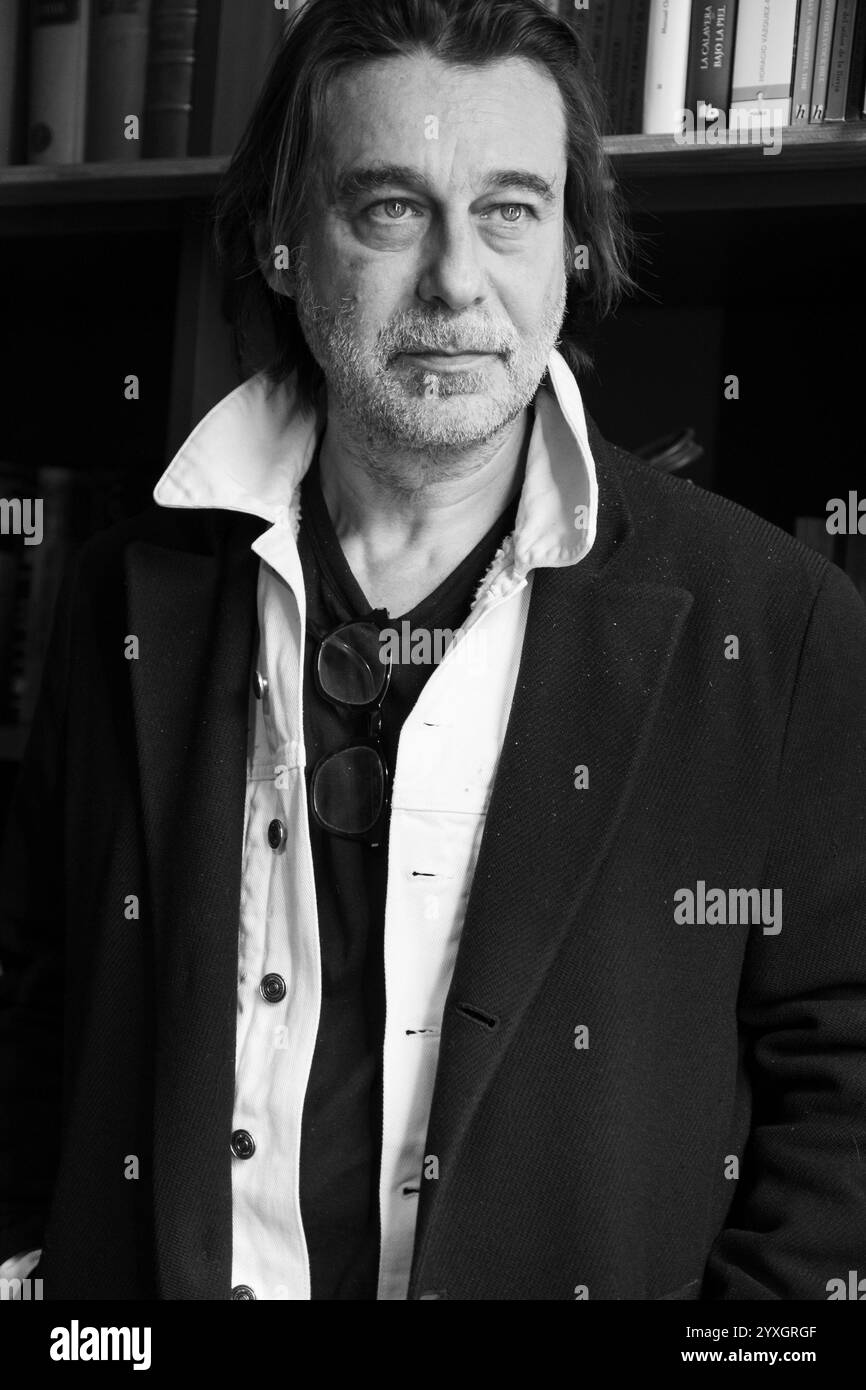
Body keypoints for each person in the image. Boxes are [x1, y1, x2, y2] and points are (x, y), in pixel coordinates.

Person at [1, 0, 865, 1301]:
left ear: (574, 247)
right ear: (285, 247)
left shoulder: (782, 623)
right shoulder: (129, 591)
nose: (457, 280)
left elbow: (846, 1076)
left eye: (511, 209)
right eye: (391, 208)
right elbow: (41, 1002)